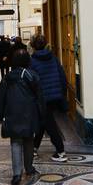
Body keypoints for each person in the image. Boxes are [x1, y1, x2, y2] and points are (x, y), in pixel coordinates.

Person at [0, 46, 45, 185]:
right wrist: (42, 115)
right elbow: (39, 97)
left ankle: (17, 174)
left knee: (15, 142)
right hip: (29, 114)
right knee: (29, 140)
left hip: (12, 114)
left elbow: (0, 98)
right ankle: (29, 168)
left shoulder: (7, 78)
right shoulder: (32, 76)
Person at [28, 34, 68, 162]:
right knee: (43, 121)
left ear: (33, 46)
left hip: (42, 97)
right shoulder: (53, 58)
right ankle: (34, 148)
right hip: (55, 95)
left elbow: (31, 81)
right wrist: (62, 93)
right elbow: (62, 76)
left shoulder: (32, 61)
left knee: (49, 124)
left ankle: (61, 151)